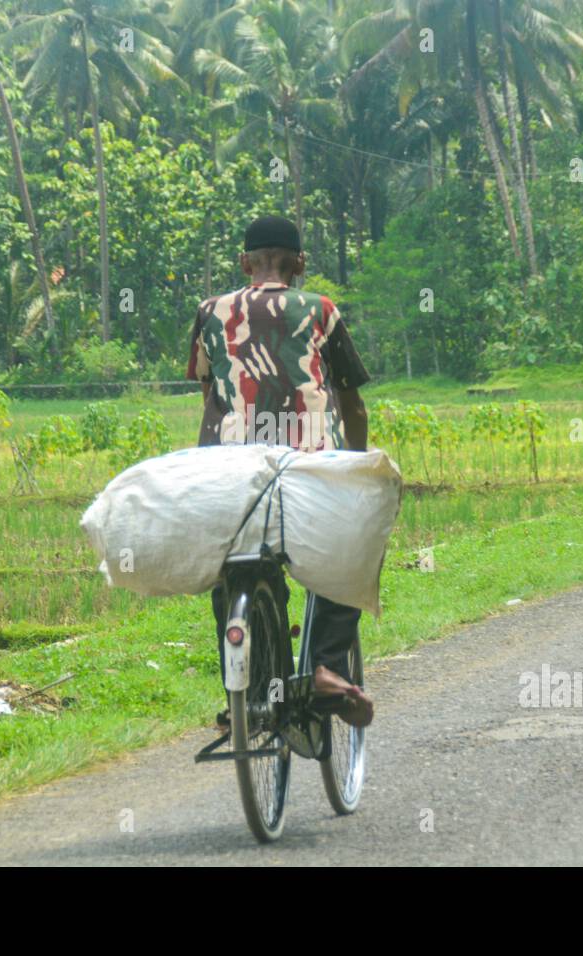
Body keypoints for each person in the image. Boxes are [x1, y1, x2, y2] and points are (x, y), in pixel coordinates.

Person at [186, 215, 374, 728]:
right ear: (300, 265)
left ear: (244, 263)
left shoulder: (210, 312)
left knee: (235, 572)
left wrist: (205, 469)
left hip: (232, 474)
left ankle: (242, 693)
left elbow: (211, 402)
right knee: (344, 554)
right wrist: (355, 464)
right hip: (308, 471)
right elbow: (353, 405)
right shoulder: (320, 310)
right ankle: (326, 668)